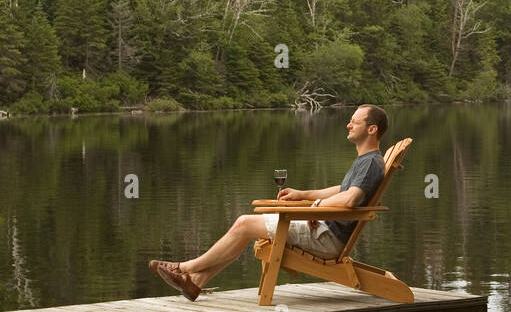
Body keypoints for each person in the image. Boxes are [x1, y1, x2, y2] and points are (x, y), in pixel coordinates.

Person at [149, 104, 388, 301]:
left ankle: (186, 268)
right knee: (245, 229)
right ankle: (196, 283)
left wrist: (314, 209)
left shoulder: (369, 163)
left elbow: (351, 198)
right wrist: (304, 195)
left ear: (371, 129)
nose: (348, 124)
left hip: (326, 238)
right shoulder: (366, 160)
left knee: (244, 224)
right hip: (324, 230)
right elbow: (341, 190)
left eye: (355, 121)